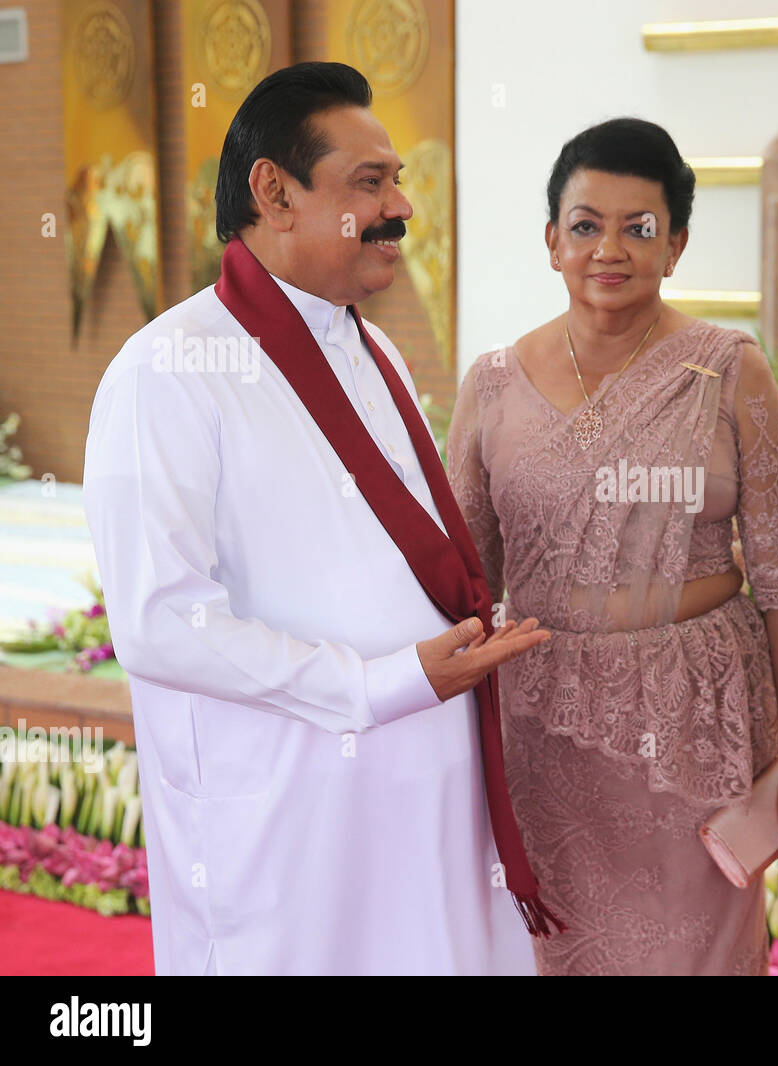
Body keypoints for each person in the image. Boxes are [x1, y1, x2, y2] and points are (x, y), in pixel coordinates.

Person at [82, 61, 558, 976]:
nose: (402, 210)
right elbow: (159, 625)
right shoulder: (164, 370)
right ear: (275, 192)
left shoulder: (370, 345)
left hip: (422, 794)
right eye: (369, 183)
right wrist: (379, 682)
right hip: (287, 823)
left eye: (399, 182)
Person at [448, 117, 778, 975]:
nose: (608, 248)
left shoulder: (731, 370)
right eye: (586, 225)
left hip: (693, 727)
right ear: (552, 241)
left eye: (640, 227)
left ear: (678, 243)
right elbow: (466, 588)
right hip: (542, 733)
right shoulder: (493, 386)